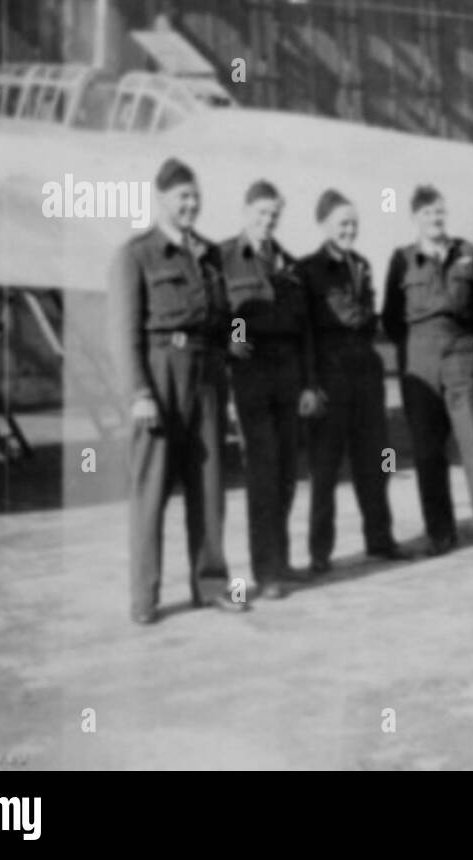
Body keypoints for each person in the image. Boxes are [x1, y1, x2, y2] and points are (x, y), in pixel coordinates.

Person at [108, 157, 247, 624]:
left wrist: (236, 340)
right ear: (161, 199)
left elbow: (225, 315)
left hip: (207, 375)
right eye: (182, 197)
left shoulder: (209, 255)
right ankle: (144, 598)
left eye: (195, 196)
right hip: (161, 375)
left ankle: (210, 583)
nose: (191, 204)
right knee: (151, 493)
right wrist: (139, 394)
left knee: (209, 488)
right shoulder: (137, 254)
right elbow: (123, 333)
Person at [381, 184, 473, 560]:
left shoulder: (468, 254)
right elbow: (391, 316)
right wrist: (414, 350)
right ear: (415, 219)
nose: (435, 219)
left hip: (461, 351)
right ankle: (440, 532)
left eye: (439, 212)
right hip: (419, 355)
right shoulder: (402, 259)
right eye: (427, 214)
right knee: (426, 448)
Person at [219, 180, 320, 601]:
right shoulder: (224, 257)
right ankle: (265, 570)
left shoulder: (290, 265)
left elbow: (306, 332)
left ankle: (281, 560)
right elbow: (224, 311)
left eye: (273, 215)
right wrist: (232, 338)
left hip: (288, 375)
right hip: (251, 374)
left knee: (286, 475)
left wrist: (310, 383)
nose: (266, 221)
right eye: (260, 214)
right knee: (262, 473)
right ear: (245, 213)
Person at [300, 189, 409, 572]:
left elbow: (368, 317)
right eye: (342, 224)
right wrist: (311, 384)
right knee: (325, 470)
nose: (350, 230)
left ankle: (380, 539)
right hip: (330, 378)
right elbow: (309, 333)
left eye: (354, 223)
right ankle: (319, 553)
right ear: (324, 225)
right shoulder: (308, 270)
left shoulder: (361, 264)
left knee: (376, 463)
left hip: (365, 377)